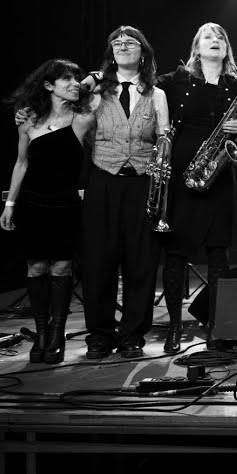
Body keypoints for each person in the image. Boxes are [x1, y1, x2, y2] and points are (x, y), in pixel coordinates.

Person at [156, 22, 237, 352]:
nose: (215, 41)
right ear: (197, 48)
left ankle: (217, 328)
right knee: (176, 254)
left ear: (227, 48)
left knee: (218, 254)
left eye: (221, 37)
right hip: (183, 176)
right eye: (208, 37)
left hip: (219, 178)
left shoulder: (235, 85)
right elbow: (146, 91)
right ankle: (174, 329)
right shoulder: (176, 80)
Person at [79, 26, 171, 359]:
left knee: (141, 263)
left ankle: (132, 334)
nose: (122, 45)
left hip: (142, 183)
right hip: (103, 180)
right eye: (116, 43)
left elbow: (163, 139)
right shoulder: (95, 91)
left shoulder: (156, 95)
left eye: (130, 42)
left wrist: (160, 186)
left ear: (143, 53)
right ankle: (100, 335)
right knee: (99, 261)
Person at [0, 59, 96, 364]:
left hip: (66, 204)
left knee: (60, 269)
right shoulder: (27, 121)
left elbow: (102, 83)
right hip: (33, 204)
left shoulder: (83, 120)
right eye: (66, 79)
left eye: (76, 79)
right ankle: (40, 335)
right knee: (36, 268)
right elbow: (21, 163)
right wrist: (9, 204)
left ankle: (57, 335)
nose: (73, 84)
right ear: (48, 85)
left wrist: (88, 81)